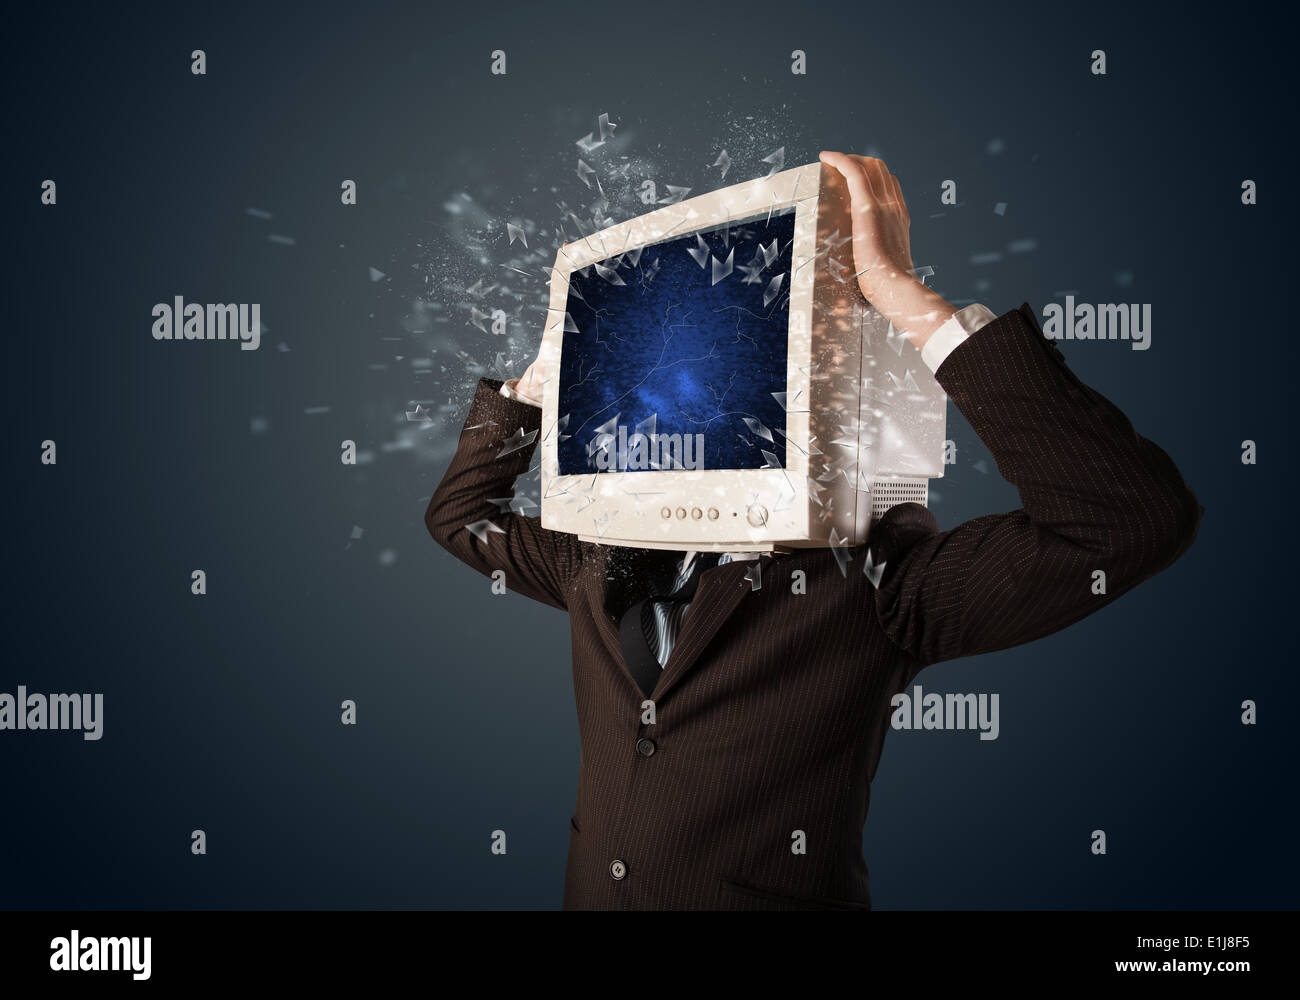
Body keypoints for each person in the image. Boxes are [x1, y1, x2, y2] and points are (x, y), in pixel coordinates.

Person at [425, 151, 1203, 910]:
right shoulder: (595, 559)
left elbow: (1127, 521)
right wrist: (531, 392)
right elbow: (462, 518)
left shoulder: (875, 581)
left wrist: (908, 304)